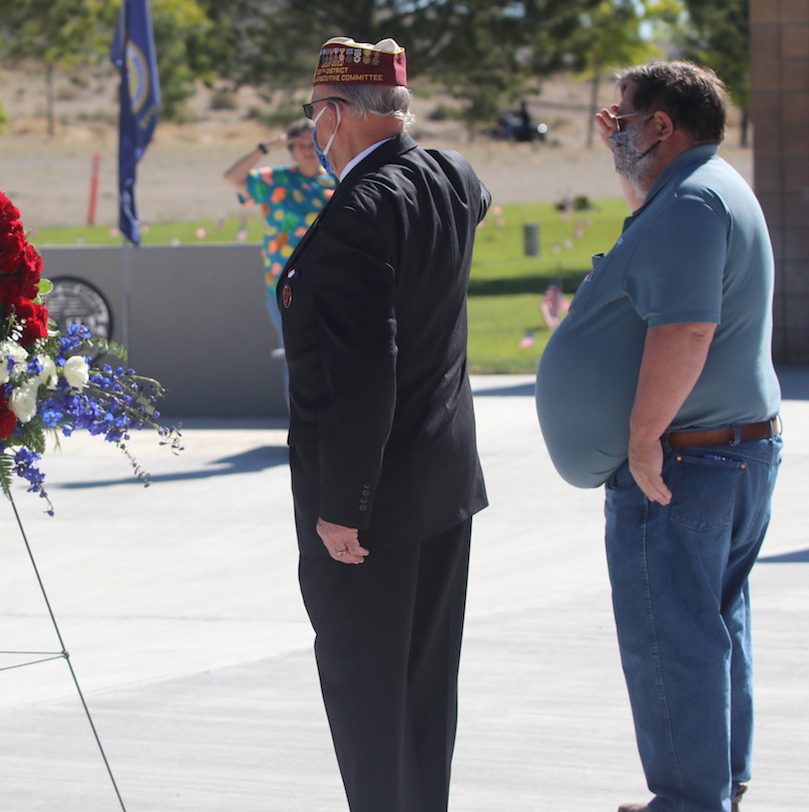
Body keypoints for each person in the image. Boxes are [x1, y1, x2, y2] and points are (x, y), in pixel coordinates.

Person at [535, 61, 781, 812]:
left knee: (670, 638)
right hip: (725, 451)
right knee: (713, 623)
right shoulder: (702, 188)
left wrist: (644, 439)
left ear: (662, 126)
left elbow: (686, 329)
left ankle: (689, 800)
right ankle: (715, 784)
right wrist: (626, 163)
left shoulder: (692, 202)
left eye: (624, 119)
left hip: (687, 459)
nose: (614, 129)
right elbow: (661, 250)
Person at [276, 37, 490, 811]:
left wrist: (343, 507)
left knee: (368, 698)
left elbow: (364, 376)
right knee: (425, 693)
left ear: (338, 113)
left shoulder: (357, 214)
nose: (313, 131)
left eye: (316, 114)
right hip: (442, 484)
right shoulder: (453, 176)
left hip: (373, 506)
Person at [223, 119, 335, 350]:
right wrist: (266, 148)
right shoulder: (275, 180)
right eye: (301, 145)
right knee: (294, 354)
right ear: (291, 149)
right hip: (284, 283)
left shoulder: (336, 180)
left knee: (330, 353)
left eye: (313, 143)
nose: (307, 150)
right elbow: (232, 178)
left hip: (328, 282)